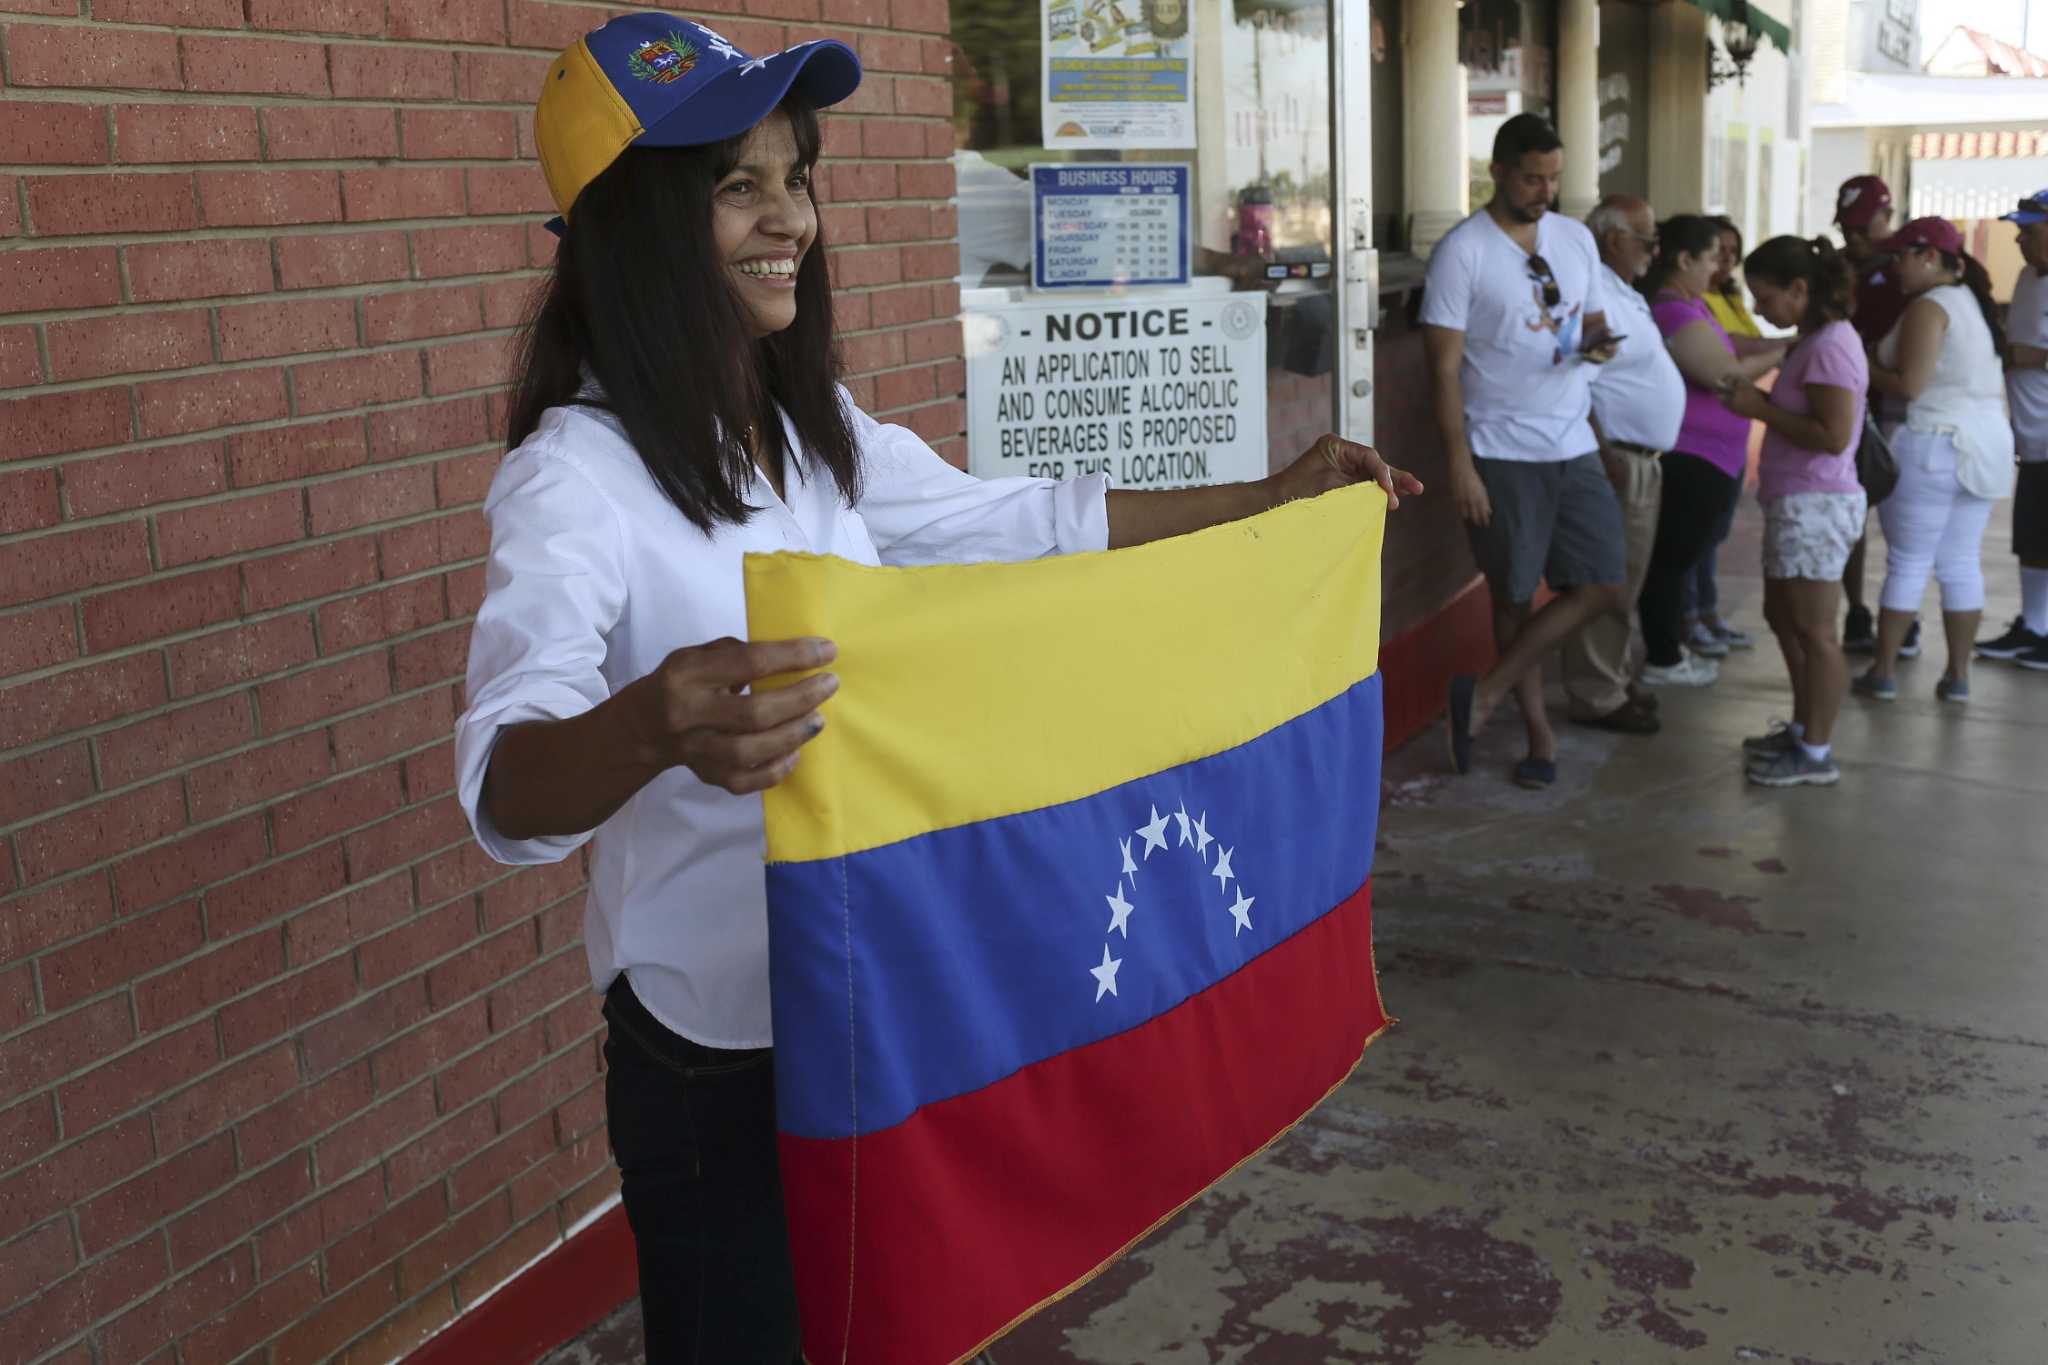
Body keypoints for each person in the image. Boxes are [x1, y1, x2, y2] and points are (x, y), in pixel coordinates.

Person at [452, 16, 1419, 1363]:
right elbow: (504, 785)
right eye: (736, 184)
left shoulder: (816, 431)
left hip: (877, 1002)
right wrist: (651, 723)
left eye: (796, 176)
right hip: (716, 1052)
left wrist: (1268, 496)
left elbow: (1032, 522)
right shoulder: (572, 480)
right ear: (632, 227)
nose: (786, 216)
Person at [1430, 114, 1627, 790]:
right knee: (1512, 597)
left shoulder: (1574, 239)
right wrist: (1459, 462)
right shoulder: (1464, 251)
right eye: (1532, 177)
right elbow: (1443, 369)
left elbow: (1595, 324)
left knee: (1602, 582)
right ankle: (1539, 736)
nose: (1545, 190)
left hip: (1572, 440)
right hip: (1500, 448)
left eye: (1553, 178)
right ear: (1499, 171)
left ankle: (1483, 693)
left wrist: (1596, 346)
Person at [1720, 237, 1869, 788]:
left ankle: (1816, 751)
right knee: (1785, 619)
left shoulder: (1831, 346)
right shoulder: (1813, 339)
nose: (1760, 309)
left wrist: (1758, 409)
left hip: (1818, 502)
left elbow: (1833, 436)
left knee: (1814, 630)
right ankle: (1805, 727)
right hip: (1797, 500)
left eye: (1766, 297)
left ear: (1800, 290)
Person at [1852, 217, 2015, 704]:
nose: (1894, 267)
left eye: (1901, 256)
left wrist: (1861, 363)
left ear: (1928, 256)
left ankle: (1882, 671)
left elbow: (1908, 385)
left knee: (1907, 562)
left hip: (1934, 444)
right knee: (1961, 564)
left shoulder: (1929, 307)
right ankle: (1958, 676)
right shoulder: (1972, 304)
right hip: (1984, 445)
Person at [1636, 216, 1788, 688]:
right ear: (1683, 260)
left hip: (1714, 456)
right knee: (1672, 560)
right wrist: (1789, 350)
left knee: (1686, 555)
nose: (1715, 267)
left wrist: (1785, 340)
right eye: (1708, 258)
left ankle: (1674, 645)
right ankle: (1663, 655)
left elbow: (1738, 342)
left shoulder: (1695, 306)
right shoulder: (1673, 313)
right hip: (1690, 455)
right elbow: (1725, 372)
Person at [1561, 194, 1683, 735]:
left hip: (1643, 460)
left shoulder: (1623, 292)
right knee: (1608, 580)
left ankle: (1613, 678)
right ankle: (1597, 694)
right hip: (1619, 459)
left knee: (1627, 581)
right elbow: (1576, 386)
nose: (1654, 251)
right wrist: (1604, 455)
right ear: (1613, 239)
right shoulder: (1593, 297)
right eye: (1646, 239)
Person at [1832, 174, 1919, 658]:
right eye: (1849, 228)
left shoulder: (1912, 265)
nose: (1856, 238)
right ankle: (1859, 611)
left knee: (1905, 523)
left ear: (1887, 217)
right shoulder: (1844, 268)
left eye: (1864, 228)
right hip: (1855, 408)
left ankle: (1902, 614)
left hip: (1903, 409)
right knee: (1853, 516)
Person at [1682, 214, 1766, 657]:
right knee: (1694, 539)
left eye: (1733, 251)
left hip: (1731, 440)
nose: (1727, 259)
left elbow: (1749, 340)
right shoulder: (1692, 303)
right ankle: (1690, 617)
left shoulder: (1728, 296)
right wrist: (1792, 346)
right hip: (1700, 443)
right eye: (1719, 251)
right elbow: (1731, 356)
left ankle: (1708, 612)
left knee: (1714, 535)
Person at [1978, 188, 2048, 671]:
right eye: (2020, 231)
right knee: (2032, 540)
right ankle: (2035, 627)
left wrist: (2036, 358)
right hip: (2031, 436)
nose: (2021, 240)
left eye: (2031, 231)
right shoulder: (2027, 278)